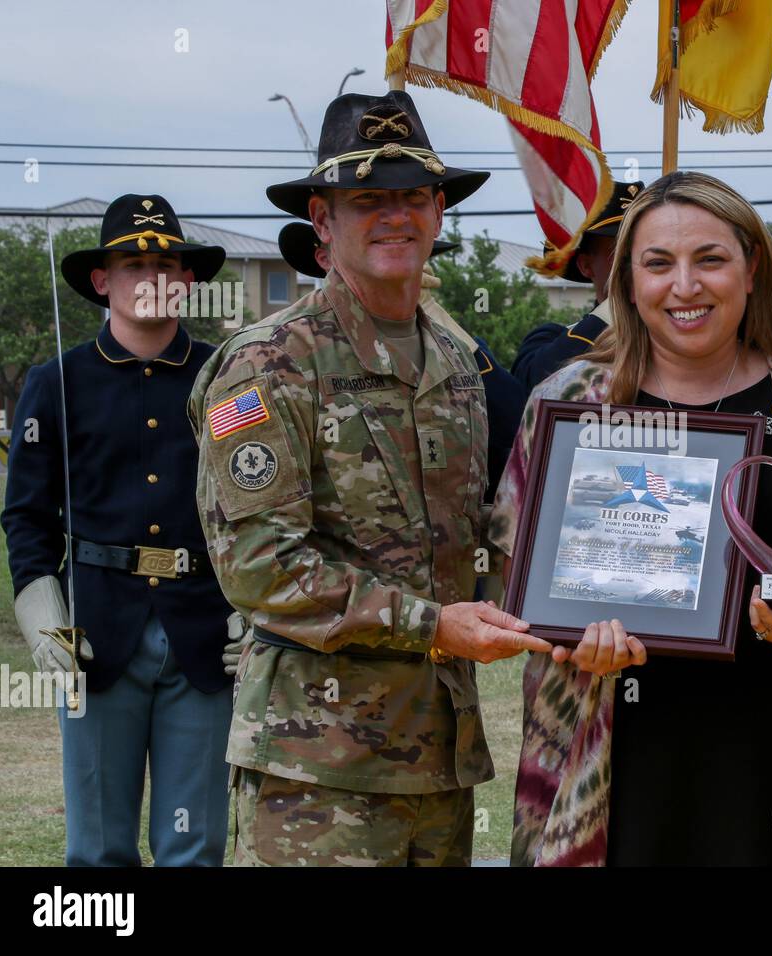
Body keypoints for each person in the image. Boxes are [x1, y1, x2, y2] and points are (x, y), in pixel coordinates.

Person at [190, 91, 552, 867]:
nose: (396, 216)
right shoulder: (268, 364)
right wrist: (433, 626)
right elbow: (261, 566)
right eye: (368, 200)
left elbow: (482, 535)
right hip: (318, 777)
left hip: (439, 761)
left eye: (413, 196)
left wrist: (585, 592)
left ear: (439, 212)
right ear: (323, 221)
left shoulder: (455, 362)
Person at [490, 170, 772, 866]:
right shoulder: (571, 402)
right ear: (627, 281)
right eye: (658, 263)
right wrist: (564, 631)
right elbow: (515, 571)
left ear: (752, 271)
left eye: (710, 259)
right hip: (608, 747)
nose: (685, 286)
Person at [2, 194, 237, 866]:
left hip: (204, 630)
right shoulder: (56, 384)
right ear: (102, 280)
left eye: (165, 262)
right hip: (96, 631)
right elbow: (26, 515)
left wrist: (253, 609)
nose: (151, 276)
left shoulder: (224, 381)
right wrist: (41, 607)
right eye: (132, 263)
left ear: (188, 281)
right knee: (98, 848)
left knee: (194, 845)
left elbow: (256, 505)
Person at [277, 223, 524, 500]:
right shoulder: (296, 358)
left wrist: (434, 315)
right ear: (325, 259)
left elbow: (519, 426)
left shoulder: (457, 347)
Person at [510, 180, 644, 391]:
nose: (637, 260)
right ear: (586, 265)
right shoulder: (552, 340)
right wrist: (616, 306)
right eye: (619, 250)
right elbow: (534, 388)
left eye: (648, 247)